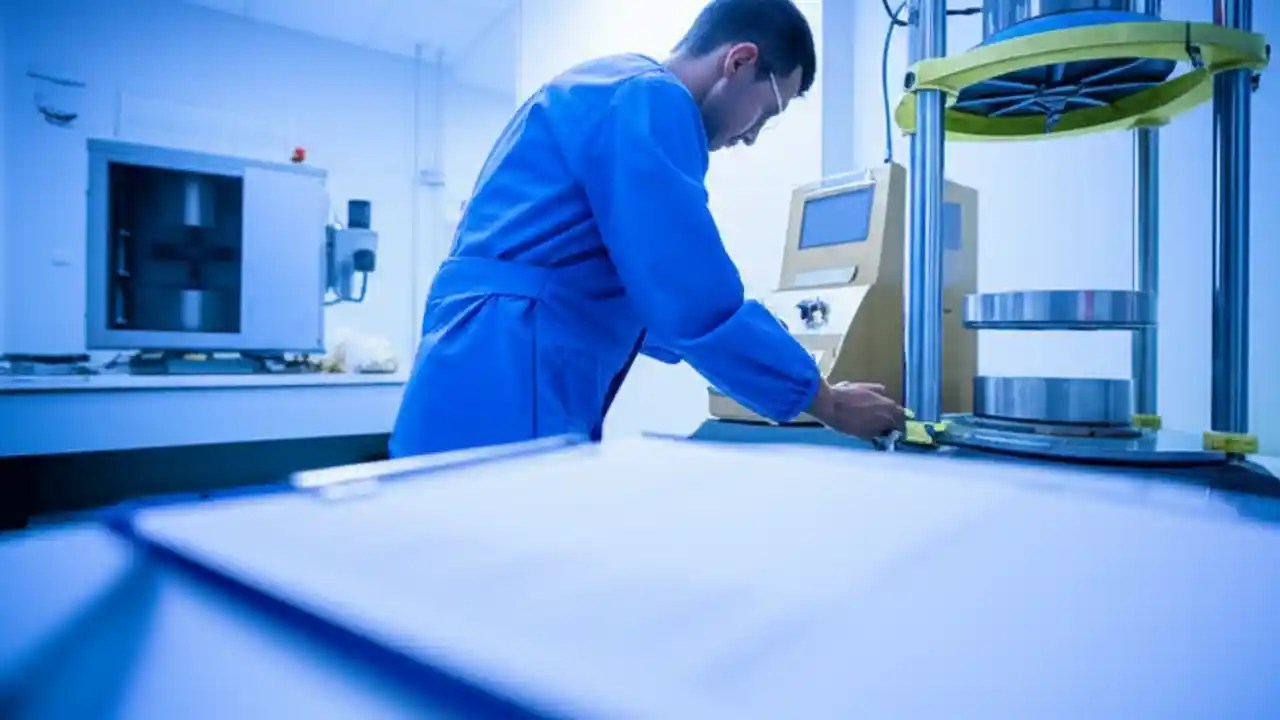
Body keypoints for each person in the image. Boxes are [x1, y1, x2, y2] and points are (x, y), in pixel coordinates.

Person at [390, 0, 906, 458]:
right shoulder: (651, 101)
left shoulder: (601, 86)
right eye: (766, 112)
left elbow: (651, 304)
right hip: (509, 368)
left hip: (476, 362)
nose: (751, 136)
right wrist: (826, 400)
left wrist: (753, 363)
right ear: (740, 61)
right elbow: (688, 293)